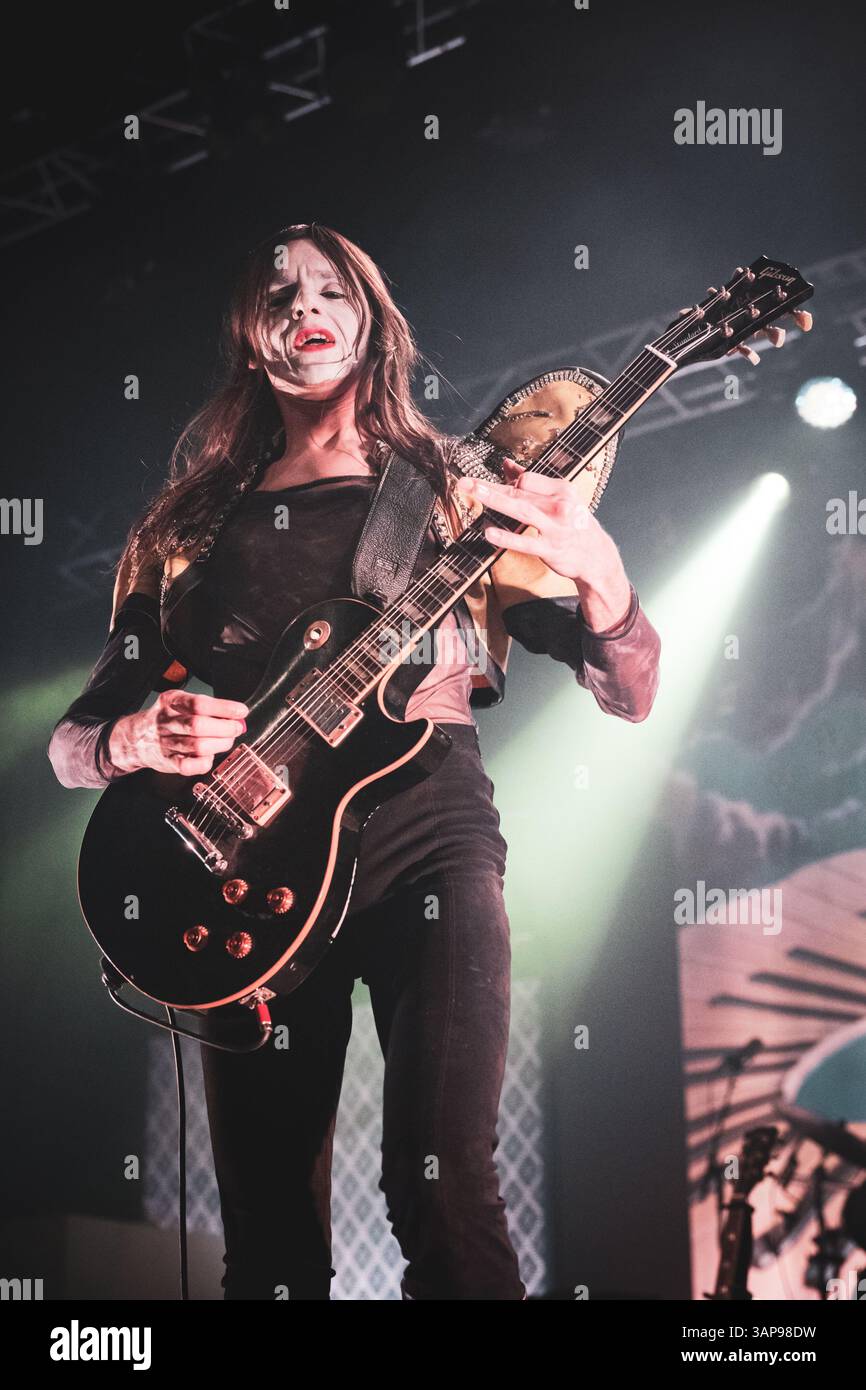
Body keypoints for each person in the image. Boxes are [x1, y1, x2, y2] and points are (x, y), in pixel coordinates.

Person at [48, 222, 661, 1300]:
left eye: (330, 289)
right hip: (240, 867)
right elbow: (72, 741)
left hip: (427, 840)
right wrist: (130, 738)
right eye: (276, 296)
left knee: (445, 1190)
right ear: (249, 340)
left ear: (370, 319)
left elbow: (627, 691)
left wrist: (598, 569)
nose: (303, 309)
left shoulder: (460, 488)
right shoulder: (182, 525)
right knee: (271, 1235)